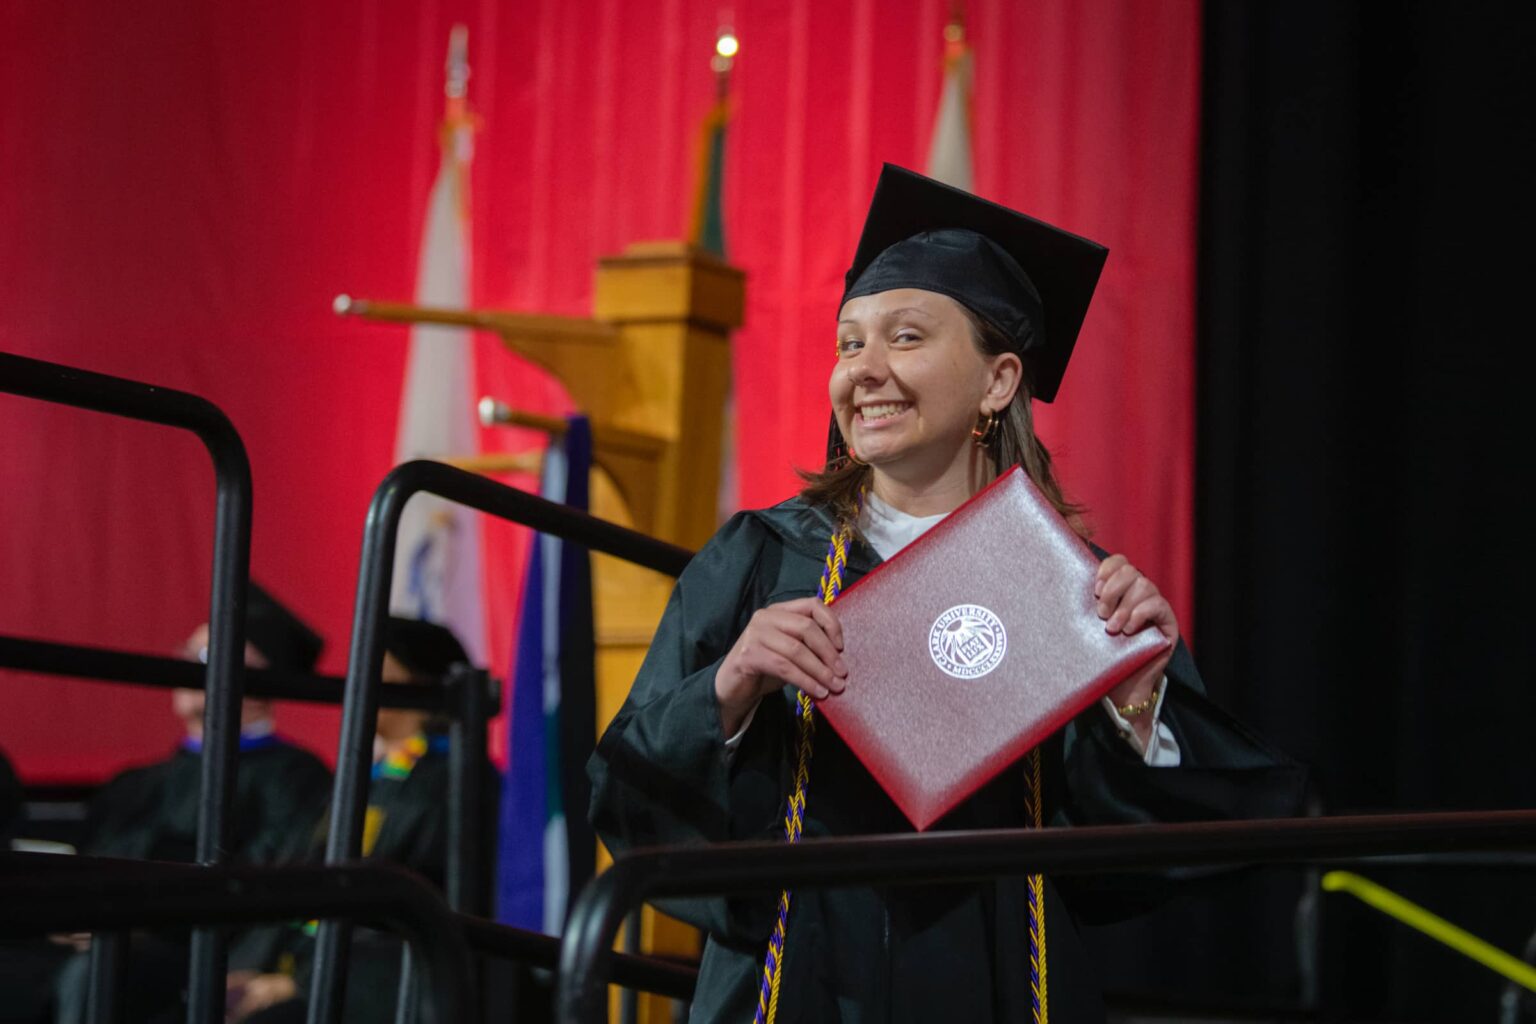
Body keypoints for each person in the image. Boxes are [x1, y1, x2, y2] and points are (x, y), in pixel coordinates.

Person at [588, 165, 1308, 1023]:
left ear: (999, 381)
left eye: (906, 336)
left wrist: (1136, 714)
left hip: (1002, 979)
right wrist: (728, 691)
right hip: (796, 984)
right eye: (850, 343)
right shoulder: (761, 558)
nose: (864, 370)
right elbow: (625, 790)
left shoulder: (1075, 594)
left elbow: (1154, 855)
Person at [52, 584, 332, 1024]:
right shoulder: (143, 781)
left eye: (204, 659)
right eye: (187, 653)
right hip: (104, 939)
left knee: (102, 974)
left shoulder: (292, 777)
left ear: (261, 685)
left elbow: (266, 878)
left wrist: (134, 915)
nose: (185, 669)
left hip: (201, 949)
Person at [227, 617, 480, 1024]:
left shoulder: (451, 782)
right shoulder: (356, 781)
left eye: (377, 666)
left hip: (370, 985)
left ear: (416, 680)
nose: (358, 681)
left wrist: (301, 984)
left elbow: (414, 904)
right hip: (305, 967)